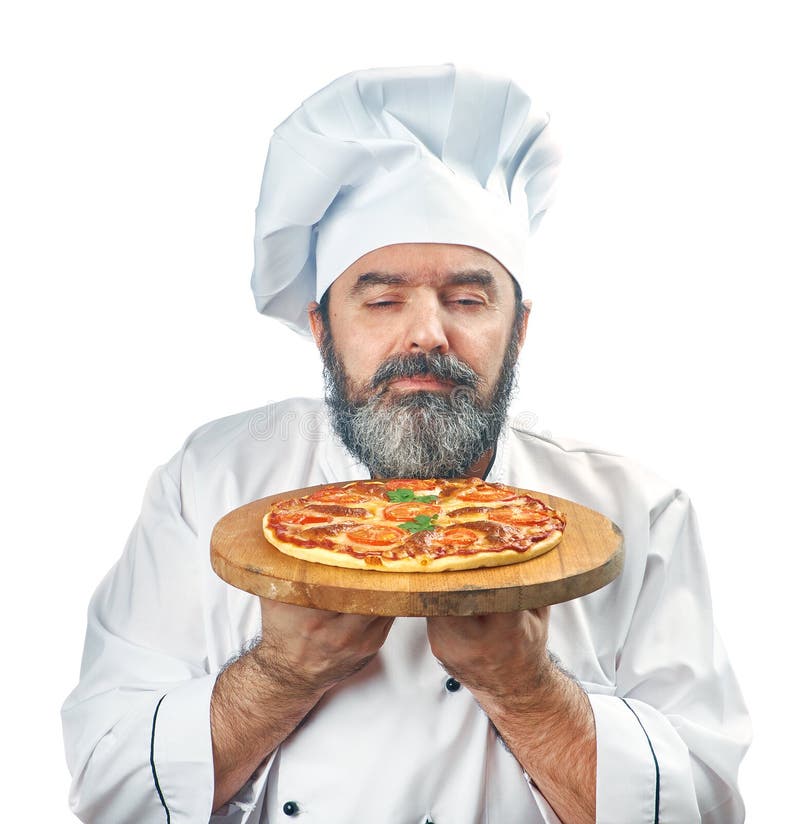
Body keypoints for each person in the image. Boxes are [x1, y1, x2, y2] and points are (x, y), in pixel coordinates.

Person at [62, 65, 750, 824]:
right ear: (322, 328)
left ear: (517, 329)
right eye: (383, 299)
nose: (426, 333)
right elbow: (110, 788)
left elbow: (707, 809)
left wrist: (525, 688)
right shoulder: (210, 483)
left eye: (466, 298)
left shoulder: (638, 511)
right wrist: (282, 674)